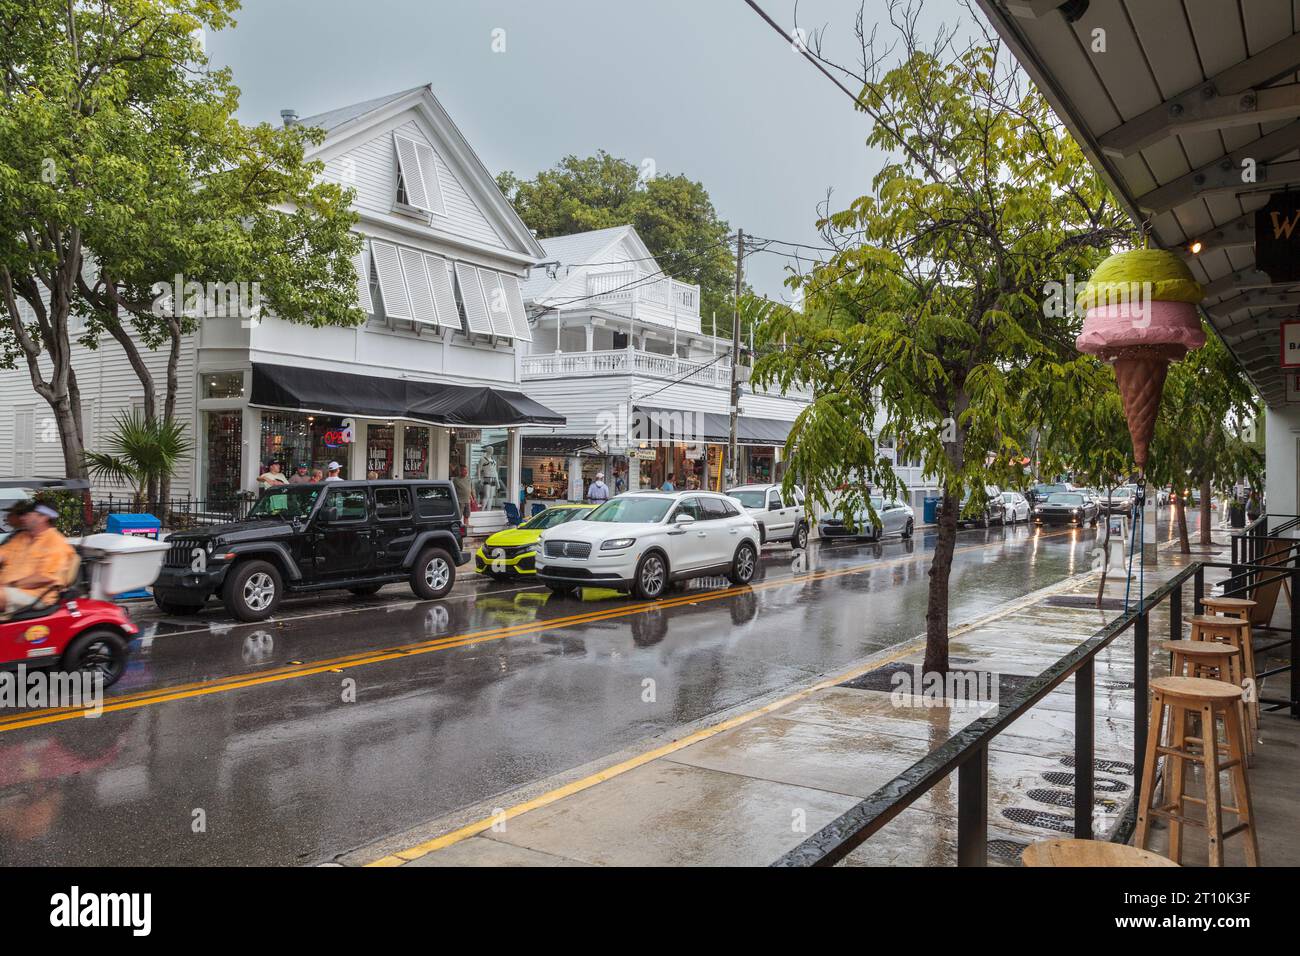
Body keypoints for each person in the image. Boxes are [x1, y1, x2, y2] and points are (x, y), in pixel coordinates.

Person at [0, 501, 77, 614]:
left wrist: (11, 584)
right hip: (9, 590)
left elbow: (45, 577)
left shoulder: (55, 542)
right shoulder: (22, 537)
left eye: (28, 514)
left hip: (33, 595)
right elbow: (3, 553)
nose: (23, 518)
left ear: (43, 517)